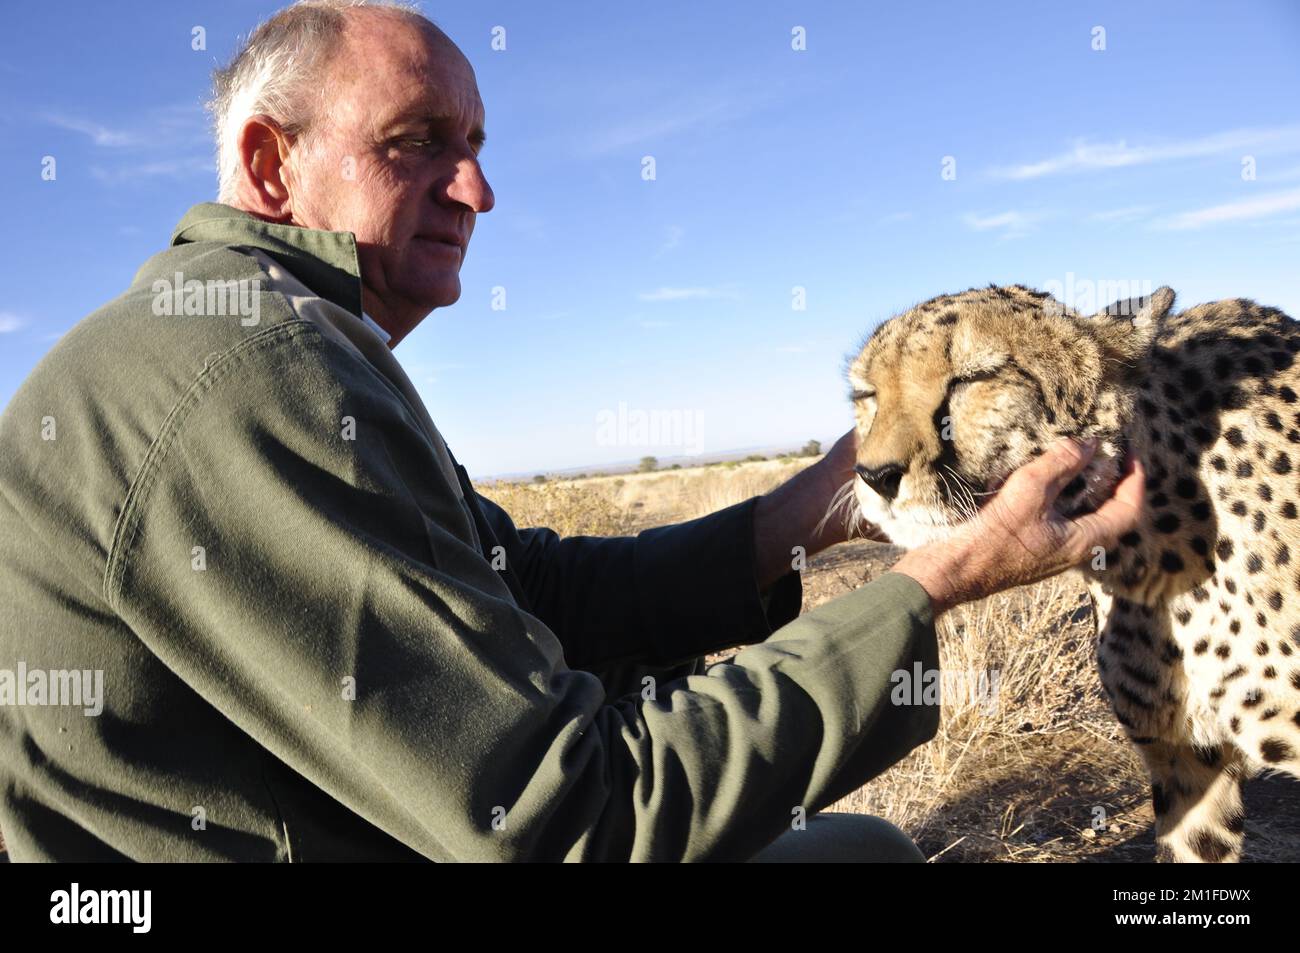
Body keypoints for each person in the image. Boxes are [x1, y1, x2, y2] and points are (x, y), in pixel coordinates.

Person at [0, 0, 1143, 862]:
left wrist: (814, 510)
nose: (478, 190)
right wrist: (937, 582)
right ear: (268, 164)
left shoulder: (258, 338)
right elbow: (564, 813)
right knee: (860, 855)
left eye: (480, 142)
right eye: (417, 141)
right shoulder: (252, 372)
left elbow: (521, 586)